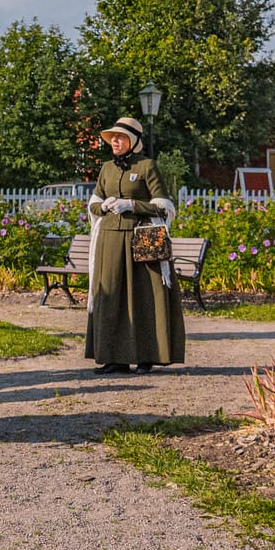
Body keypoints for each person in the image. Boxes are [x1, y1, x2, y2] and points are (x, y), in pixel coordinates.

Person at [85, 116, 186, 375]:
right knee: (110, 298)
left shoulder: (147, 166)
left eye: (120, 137)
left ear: (134, 141)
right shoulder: (106, 168)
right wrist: (104, 205)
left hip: (140, 242)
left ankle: (145, 356)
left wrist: (132, 205)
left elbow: (165, 207)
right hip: (109, 241)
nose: (115, 142)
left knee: (143, 299)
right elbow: (93, 204)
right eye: (112, 138)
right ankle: (113, 357)